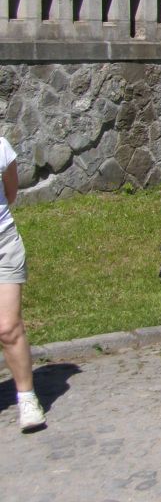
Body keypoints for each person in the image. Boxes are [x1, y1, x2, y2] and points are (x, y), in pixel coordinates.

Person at [0, 136, 46, 431]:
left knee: (7, 327)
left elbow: (10, 193)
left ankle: (27, 398)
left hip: (3, 242)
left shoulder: (1, 146)